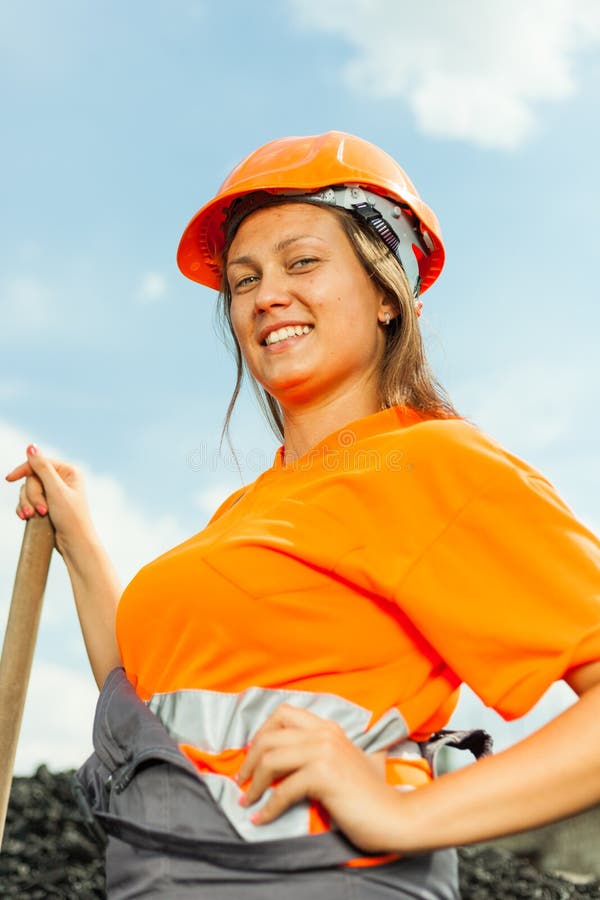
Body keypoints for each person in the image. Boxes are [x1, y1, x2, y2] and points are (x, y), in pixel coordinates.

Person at [6, 130, 600, 900]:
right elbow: (154, 707)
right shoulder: (249, 511)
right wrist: (80, 541)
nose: (265, 295)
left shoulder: (436, 465)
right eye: (244, 279)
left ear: (387, 292)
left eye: (303, 262)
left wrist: (403, 814)